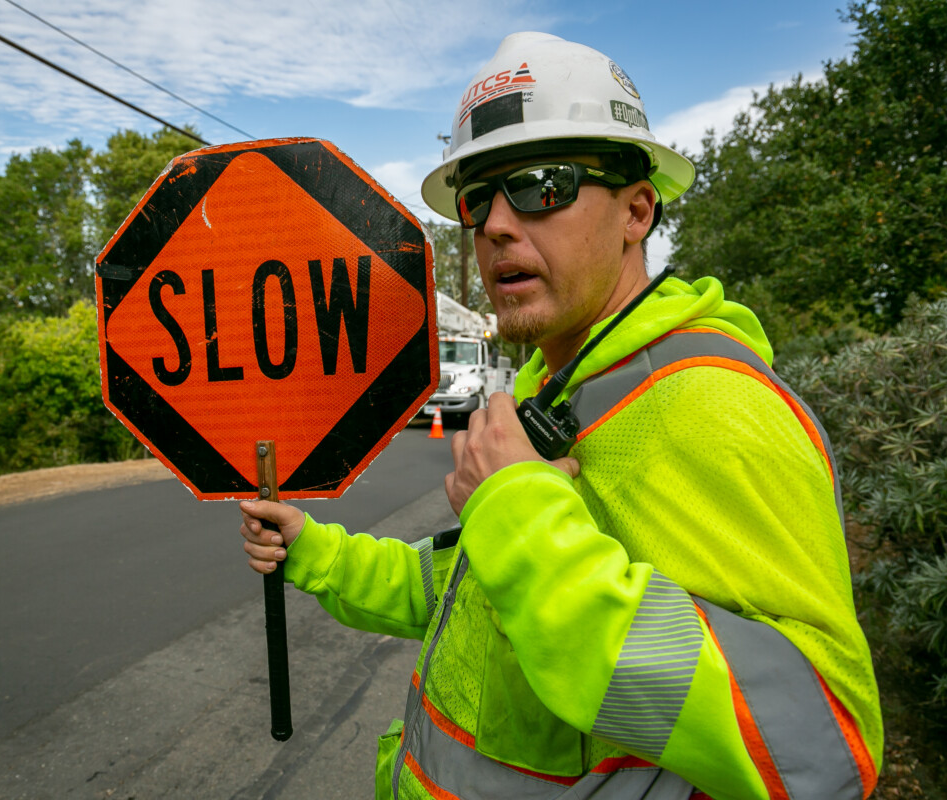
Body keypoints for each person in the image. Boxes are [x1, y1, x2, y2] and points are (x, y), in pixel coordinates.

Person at [240, 31, 882, 800]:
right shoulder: (560, 387)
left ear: (636, 210)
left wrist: (517, 510)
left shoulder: (709, 406)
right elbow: (475, 587)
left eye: (542, 186)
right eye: (478, 200)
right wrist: (315, 553)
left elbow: (822, 751)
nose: (496, 226)